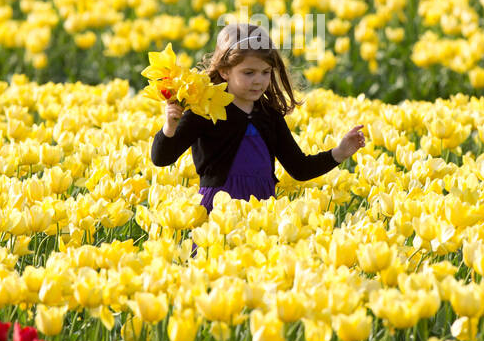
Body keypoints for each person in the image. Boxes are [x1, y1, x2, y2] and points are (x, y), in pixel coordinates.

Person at [150, 22, 365, 253]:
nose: (258, 81)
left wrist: (339, 153)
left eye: (265, 73)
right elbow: (162, 158)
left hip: (263, 212)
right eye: (249, 73)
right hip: (218, 211)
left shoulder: (268, 115)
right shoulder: (205, 109)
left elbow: (299, 168)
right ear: (224, 70)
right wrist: (169, 127)